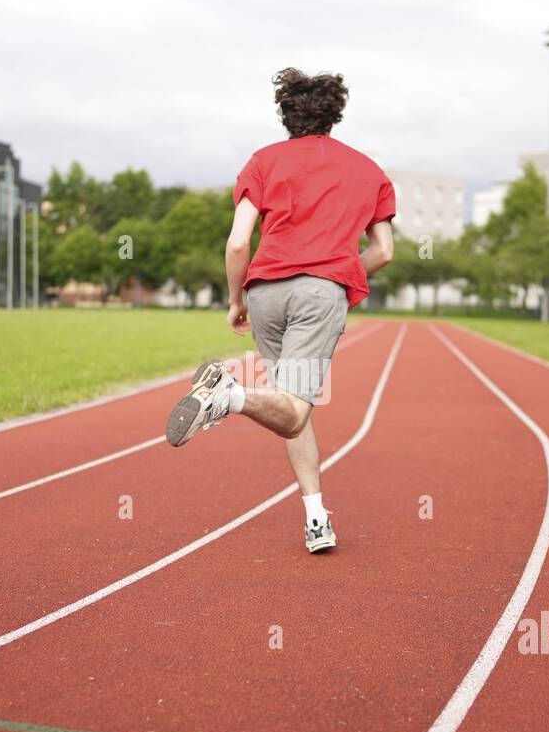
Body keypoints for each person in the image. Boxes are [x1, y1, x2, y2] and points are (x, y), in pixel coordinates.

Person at [164, 68, 395, 553]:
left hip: (266, 291)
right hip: (318, 293)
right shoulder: (368, 170)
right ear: (334, 114)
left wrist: (236, 300)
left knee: (294, 407)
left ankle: (316, 518)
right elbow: (384, 252)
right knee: (291, 412)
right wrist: (341, 272)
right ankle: (229, 394)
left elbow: (236, 244)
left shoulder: (263, 161)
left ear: (286, 114)